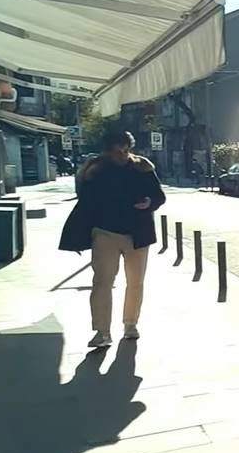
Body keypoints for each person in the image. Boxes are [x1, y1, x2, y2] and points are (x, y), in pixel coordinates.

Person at [59, 130, 165, 348]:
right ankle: (102, 331)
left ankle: (130, 324)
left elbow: (159, 196)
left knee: (135, 282)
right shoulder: (96, 170)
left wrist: (149, 203)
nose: (122, 153)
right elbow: (85, 203)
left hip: (138, 234)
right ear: (108, 150)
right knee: (102, 283)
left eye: (126, 148)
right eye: (118, 149)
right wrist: (78, 235)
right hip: (105, 233)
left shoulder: (142, 167)